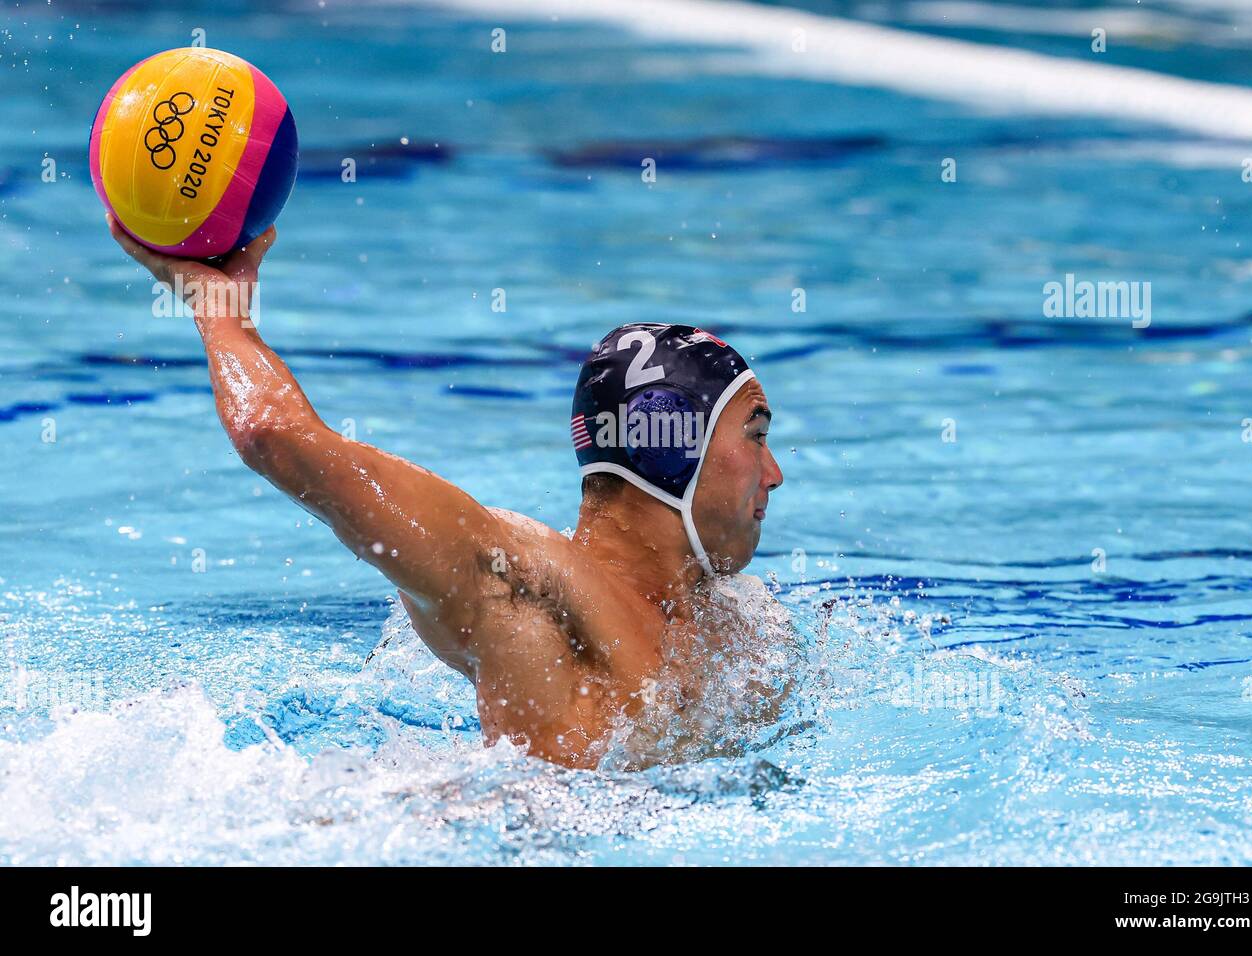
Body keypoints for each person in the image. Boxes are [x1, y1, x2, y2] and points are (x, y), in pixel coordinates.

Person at [108, 219, 784, 768]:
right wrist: (219, 309)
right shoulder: (522, 583)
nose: (774, 473)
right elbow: (273, 436)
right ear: (672, 446)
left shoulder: (739, 626)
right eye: (755, 435)